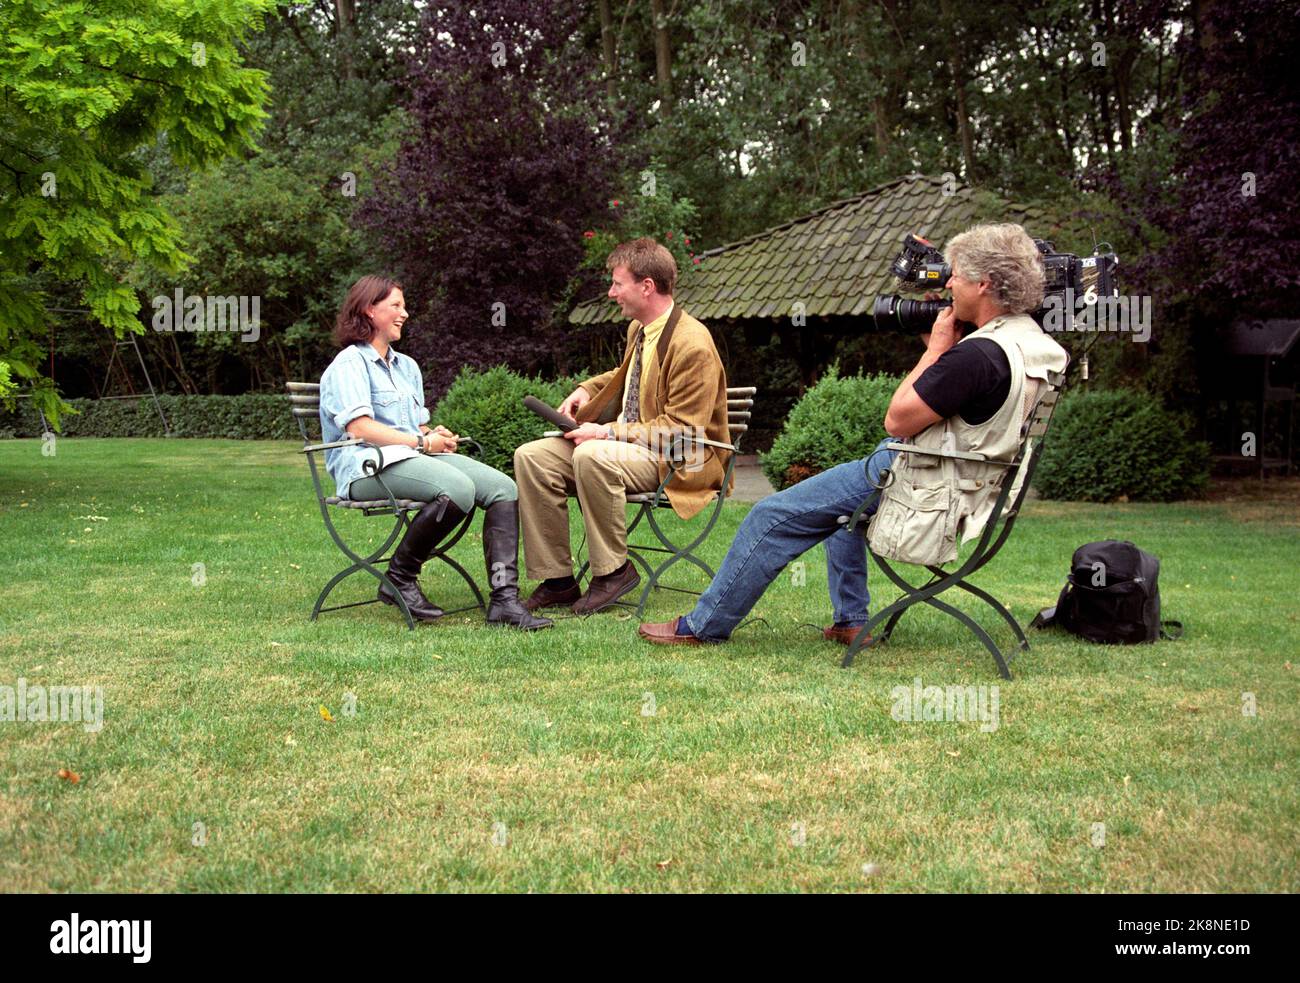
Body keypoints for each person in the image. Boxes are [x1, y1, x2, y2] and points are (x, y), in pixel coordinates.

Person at [637, 222, 1069, 646]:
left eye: (958, 274)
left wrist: (937, 351)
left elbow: (897, 420)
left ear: (985, 283)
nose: (950, 282)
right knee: (844, 513)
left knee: (768, 515)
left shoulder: (977, 354)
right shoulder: (1031, 343)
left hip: (924, 480)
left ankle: (703, 625)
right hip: (975, 484)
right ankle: (851, 620)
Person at [318, 275, 551, 631]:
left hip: (410, 458)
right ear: (369, 309)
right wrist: (422, 443)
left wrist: (433, 434)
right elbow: (360, 428)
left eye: (404, 305)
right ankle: (400, 576)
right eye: (396, 305)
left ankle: (504, 600)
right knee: (458, 489)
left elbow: (416, 427)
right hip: (364, 467)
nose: (405, 313)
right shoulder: (350, 364)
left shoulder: (407, 367)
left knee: (504, 488)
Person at [514, 238, 731, 615]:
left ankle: (613, 572)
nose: (612, 293)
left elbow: (683, 430)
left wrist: (605, 432)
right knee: (532, 458)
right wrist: (587, 388)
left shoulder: (692, 344)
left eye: (618, 284)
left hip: (682, 458)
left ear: (646, 286)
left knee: (592, 454)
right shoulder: (640, 330)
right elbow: (627, 375)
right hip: (632, 450)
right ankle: (558, 580)